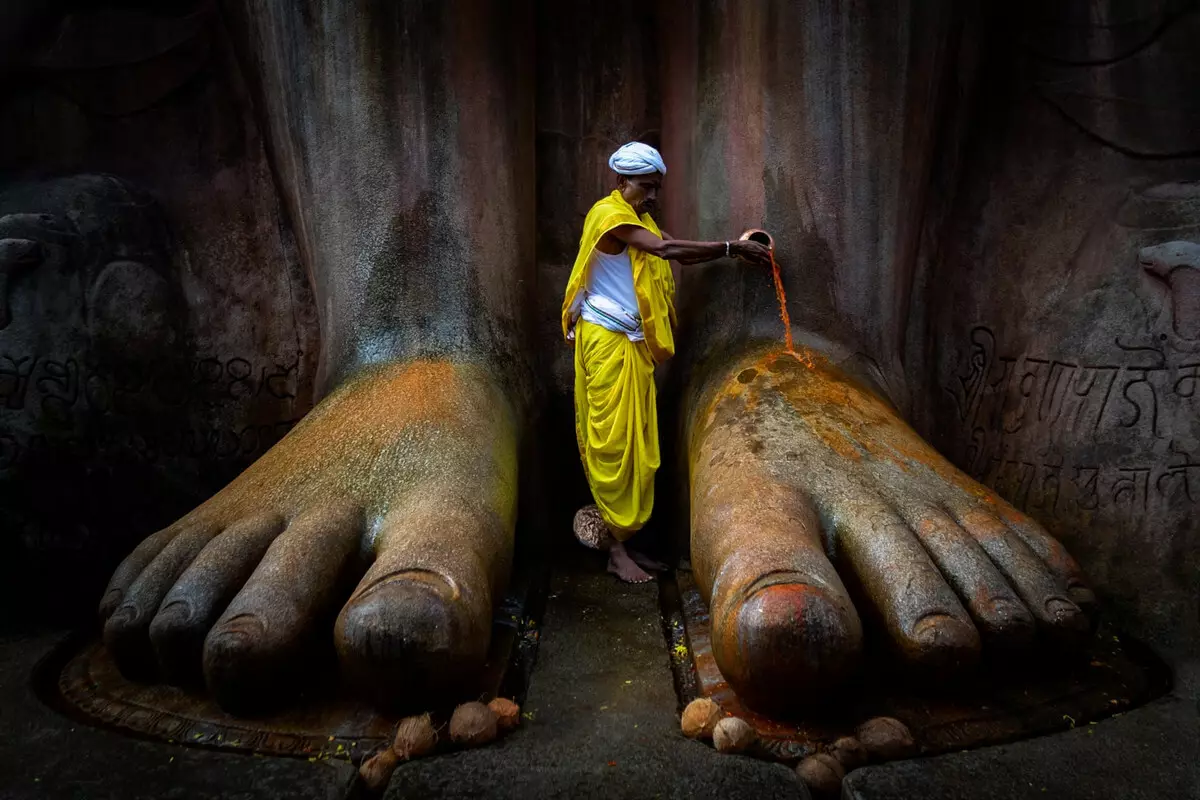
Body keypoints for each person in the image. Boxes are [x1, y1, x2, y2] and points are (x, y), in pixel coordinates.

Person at [562, 141, 773, 582]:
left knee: (637, 448)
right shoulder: (610, 217)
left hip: (631, 345)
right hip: (605, 345)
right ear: (622, 182)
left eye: (657, 188)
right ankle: (615, 551)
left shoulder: (637, 216)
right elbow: (666, 251)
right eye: (646, 186)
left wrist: (729, 246)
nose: (653, 195)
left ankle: (627, 544)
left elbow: (663, 246)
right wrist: (730, 250)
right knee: (614, 447)